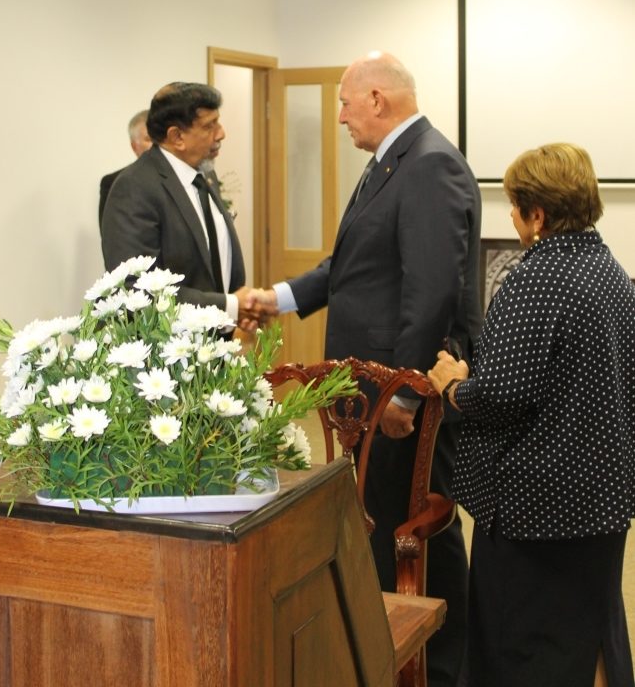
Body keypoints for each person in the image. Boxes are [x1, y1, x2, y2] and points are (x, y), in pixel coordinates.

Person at [250, 51, 482, 687]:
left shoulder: (430, 165)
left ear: (378, 100)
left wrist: (405, 396)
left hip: (396, 395)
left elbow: (433, 292)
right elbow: (349, 266)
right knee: (381, 522)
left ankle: (438, 662)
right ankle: (388, 651)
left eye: (346, 105)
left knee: (416, 524)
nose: (342, 119)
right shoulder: (390, 163)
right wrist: (277, 299)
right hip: (369, 390)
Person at [428, 143, 635, 687]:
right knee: (584, 631)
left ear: (537, 214)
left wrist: (454, 385)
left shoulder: (536, 278)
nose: (513, 220)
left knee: (520, 647)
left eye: (514, 207)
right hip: (599, 497)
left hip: (534, 508)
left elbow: (503, 397)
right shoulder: (609, 269)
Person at [101, 82, 260, 330]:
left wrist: (236, 311)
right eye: (210, 126)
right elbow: (136, 288)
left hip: (215, 348)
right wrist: (228, 306)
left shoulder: (205, 176)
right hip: (166, 359)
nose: (221, 133)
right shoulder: (134, 188)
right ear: (177, 137)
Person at [98, 109, 152, 231]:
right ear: (134, 146)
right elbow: (110, 235)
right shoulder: (113, 182)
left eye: (159, 139)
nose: (156, 145)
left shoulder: (180, 179)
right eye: (148, 139)